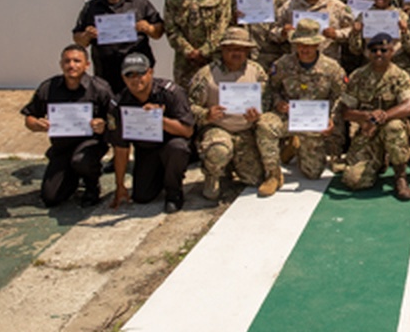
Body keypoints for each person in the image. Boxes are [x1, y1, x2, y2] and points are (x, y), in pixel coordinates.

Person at [188, 27, 279, 200]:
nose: (236, 53)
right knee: (219, 151)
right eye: (231, 49)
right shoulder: (206, 74)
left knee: (254, 179)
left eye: (241, 49)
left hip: (245, 130)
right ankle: (212, 175)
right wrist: (206, 114)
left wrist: (258, 114)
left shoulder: (256, 71)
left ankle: (232, 165)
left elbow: (267, 100)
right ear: (222, 49)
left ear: (247, 51)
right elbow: (189, 107)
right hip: (218, 129)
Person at [21, 44, 115, 207]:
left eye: (77, 61)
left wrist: (104, 125)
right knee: (51, 198)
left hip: (90, 146)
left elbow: (115, 121)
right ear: (61, 64)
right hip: (62, 147)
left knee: (80, 161)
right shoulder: (48, 88)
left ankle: (92, 186)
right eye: (67, 61)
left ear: (87, 65)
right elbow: (29, 117)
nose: (71, 65)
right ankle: (72, 176)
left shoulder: (100, 88)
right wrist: (36, 124)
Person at [256, 19, 347, 181]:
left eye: (309, 45)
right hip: (289, 117)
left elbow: (340, 96)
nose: (304, 49)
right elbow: (271, 88)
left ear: (317, 44)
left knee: (313, 173)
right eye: (300, 44)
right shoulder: (283, 64)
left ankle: (296, 145)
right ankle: (273, 174)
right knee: (265, 125)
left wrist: (331, 119)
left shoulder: (331, 68)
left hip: (315, 121)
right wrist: (278, 102)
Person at [109, 53, 194, 214]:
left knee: (178, 148)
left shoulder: (171, 92)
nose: (136, 79)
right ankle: (161, 175)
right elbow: (121, 148)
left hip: (171, 145)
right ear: (123, 77)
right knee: (142, 197)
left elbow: (187, 131)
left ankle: (174, 192)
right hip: (146, 150)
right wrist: (119, 185)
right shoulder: (119, 104)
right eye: (130, 74)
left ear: (150, 72)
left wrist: (159, 119)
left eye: (140, 73)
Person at [340, 33, 410, 200]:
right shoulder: (358, 76)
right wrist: (366, 116)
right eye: (374, 50)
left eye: (383, 50)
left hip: (392, 131)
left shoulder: (400, 75)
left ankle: (400, 176)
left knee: (393, 127)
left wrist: (381, 117)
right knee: (354, 181)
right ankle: (378, 160)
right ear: (368, 53)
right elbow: (346, 111)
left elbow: (408, 107)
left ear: (392, 52)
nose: (378, 54)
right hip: (367, 131)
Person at [73, 0, 164, 94]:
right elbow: (78, 38)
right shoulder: (92, 6)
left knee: (137, 103)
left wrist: (149, 28)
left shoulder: (138, 2)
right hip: (105, 71)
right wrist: (86, 36)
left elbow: (159, 31)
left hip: (137, 70)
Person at [164, 0, 231, 89]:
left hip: (213, 58)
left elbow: (223, 24)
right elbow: (170, 27)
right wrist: (188, 51)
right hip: (184, 62)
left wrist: (204, 51)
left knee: (215, 96)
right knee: (183, 98)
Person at [275, 0, 353, 62]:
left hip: (327, 64)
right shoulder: (289, 6)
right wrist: (282, 32)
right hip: (296, 65)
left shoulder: (337, 7)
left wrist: (336, 34)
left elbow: (352, 30)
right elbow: (272, 31)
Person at [349, 0, 410, 77]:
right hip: (371, 65)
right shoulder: (364, 16)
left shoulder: (401, 16)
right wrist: (355, 33)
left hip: (397, 64)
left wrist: (405, 31)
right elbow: (355, 50)